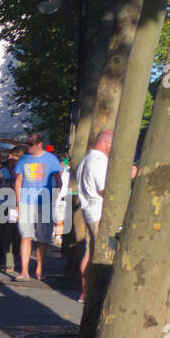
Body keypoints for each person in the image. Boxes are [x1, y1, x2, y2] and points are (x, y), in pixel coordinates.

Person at [13, 132, 64, 281]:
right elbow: (18, 181)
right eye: (27, 143)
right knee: (26, 236)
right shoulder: (24, 159)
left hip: (45, 203)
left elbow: (58, 181)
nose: (27, 146)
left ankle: (39, 270)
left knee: (43, 238)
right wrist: (18, 202)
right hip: (26, 202)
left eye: (30, 143)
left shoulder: (51, 159)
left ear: (39, 144)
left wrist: (53, 199)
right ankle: (24, 271)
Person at [75, 129, 113, 303]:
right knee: (101, 252)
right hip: (98, 211)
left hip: (88, 209)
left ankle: (85, 292)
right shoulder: (99, 162)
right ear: (106, 143)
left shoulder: (85, 160)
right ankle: (94, 292)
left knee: (89, 251)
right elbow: (105, 189)